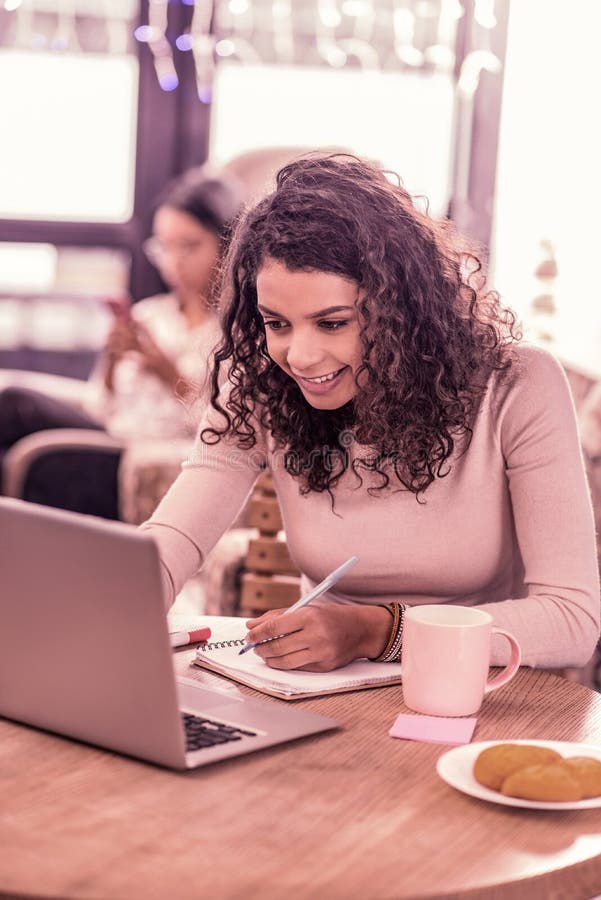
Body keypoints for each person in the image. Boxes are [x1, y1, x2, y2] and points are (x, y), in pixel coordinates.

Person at [141, 154, 600, 672]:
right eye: (277, 323)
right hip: (325, 690)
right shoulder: (262, 384)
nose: (300, 356)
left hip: (485, 689)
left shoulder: (517, 384)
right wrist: (115, 599)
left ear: (400, 310)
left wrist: (376, 631)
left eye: (332, 323)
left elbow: (571, 622)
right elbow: (175, 539)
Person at [0, 167, 242, 516]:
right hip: (111, 434)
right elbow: (99, 406)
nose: (174, 263)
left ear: (227, 245)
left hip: (149, 453)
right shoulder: (149, 316)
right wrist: (113, 364)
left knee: (15, 402)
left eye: (189, 247)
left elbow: (227, 432)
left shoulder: (235, 335)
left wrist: (166, 370)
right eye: (164, 247)